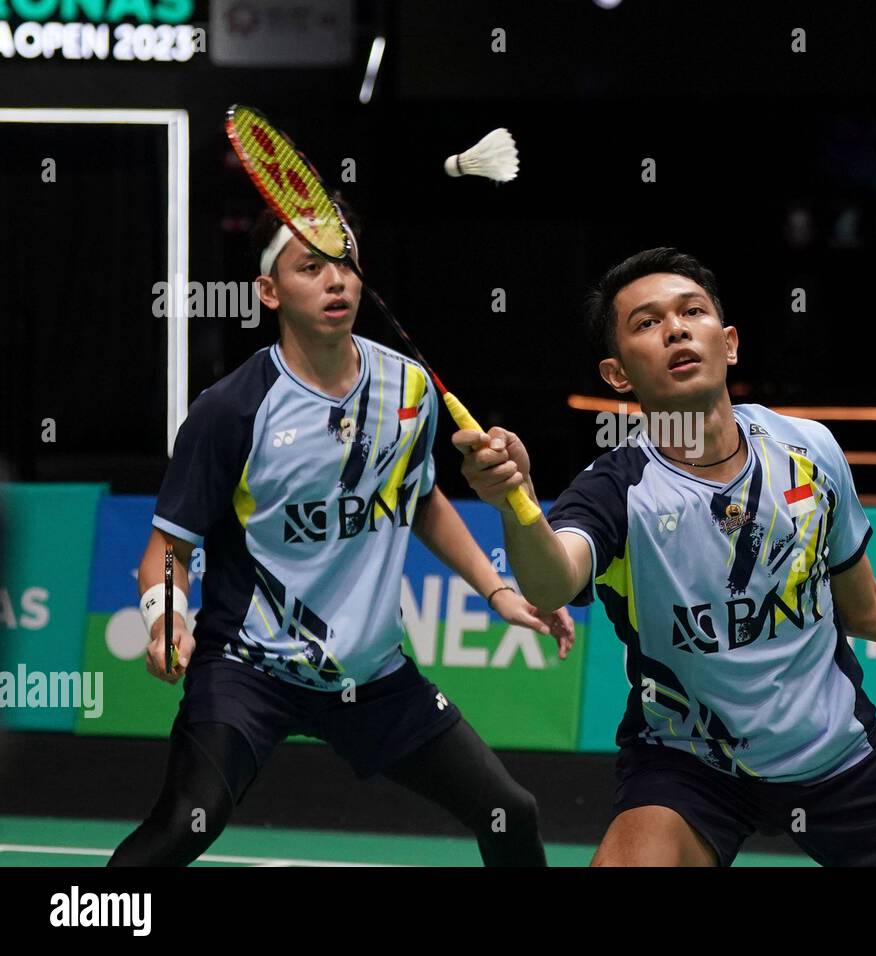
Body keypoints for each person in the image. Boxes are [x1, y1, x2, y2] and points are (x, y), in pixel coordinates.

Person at [454, 247, 876, 867]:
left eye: (692, 312)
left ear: (728, 342)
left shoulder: (807, 450)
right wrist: (516, 502)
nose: (676, 330)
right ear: (617, 373)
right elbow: (551, 581)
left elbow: (866, 607)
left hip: (834, 752)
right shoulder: (620, 489)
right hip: (690, 763)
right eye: (647, 323)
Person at [109, 205, 573, 867]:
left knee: (510, 813)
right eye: (311, 266)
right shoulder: (232, 410)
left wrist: (497, 591)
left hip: (371, 674)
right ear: (269, 291)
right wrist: (165, 619)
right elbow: (169, 548)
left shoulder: (407, 387)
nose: (337, 282)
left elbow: (420, 501)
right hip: (251, 668)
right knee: (187, 822)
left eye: (346, 264)